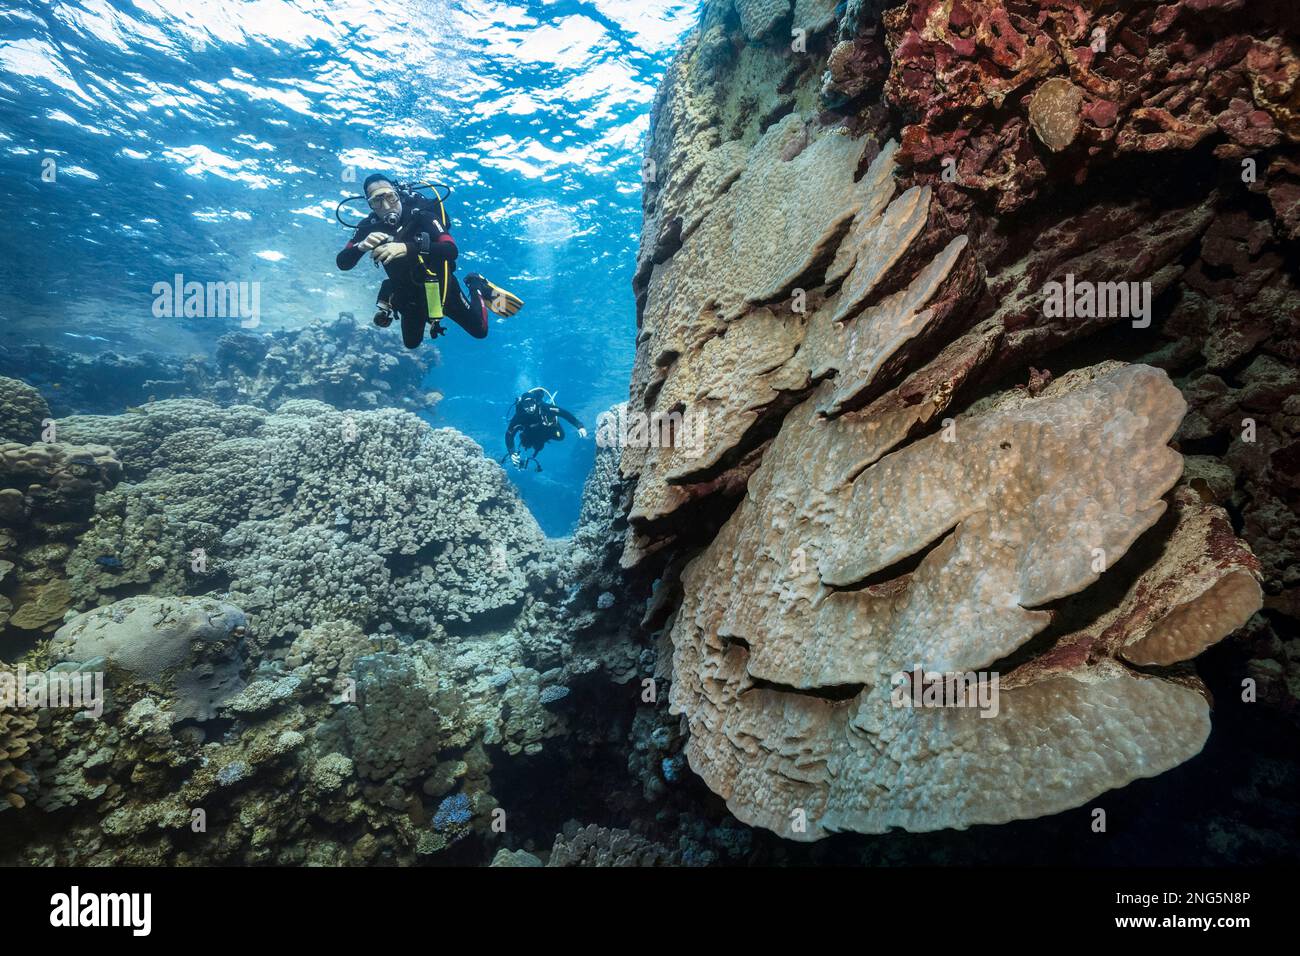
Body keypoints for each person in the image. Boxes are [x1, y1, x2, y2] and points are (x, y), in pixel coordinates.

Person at [335, 174, 522, 348]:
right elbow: (343, 263)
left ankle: (476, 285)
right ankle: (390, 288)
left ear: (398, 194)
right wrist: (361, 246)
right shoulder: (367, 227)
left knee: (480, 331)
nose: (386, 206)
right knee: (411, 344)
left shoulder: (422, 215)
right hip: (408, 296)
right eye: (376, 200)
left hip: (441, 288)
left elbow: (451, 250)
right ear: (370, 205)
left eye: (389, 197)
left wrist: (406, 248)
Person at [504, 388, 588, 470]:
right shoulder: (519, 416)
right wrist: (512, 453)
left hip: (546, 428)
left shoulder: (544, 407)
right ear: (522, 405)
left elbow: (563, 413)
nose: (530, 408)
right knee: (531, 445)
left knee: (561, 436)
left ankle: (551, 420)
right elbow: (509, 434)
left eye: (531, 403)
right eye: (526, 405)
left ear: (535, 402)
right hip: (531, 433)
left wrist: (579, 426)